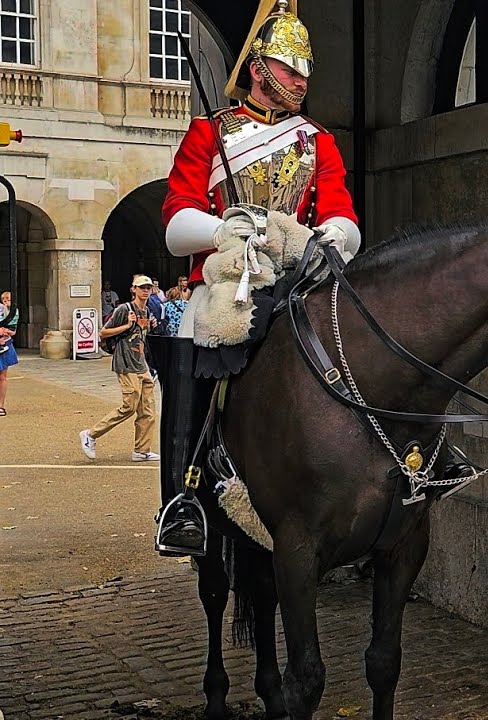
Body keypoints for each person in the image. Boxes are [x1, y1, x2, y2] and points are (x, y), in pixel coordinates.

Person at [155, 0, 361, 555]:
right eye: (291, 69)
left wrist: (324, 240)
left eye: (305, 72)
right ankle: (184, 499)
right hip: (228, 276)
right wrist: (226, 228)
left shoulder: (317, 142)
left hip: (297, 272)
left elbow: (344, 216)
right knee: (190, 337)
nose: (301, 82)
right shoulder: (208, 133)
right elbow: (176, 221)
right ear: (258, 68)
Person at [79, 275, 160, 463]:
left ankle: (142, 450)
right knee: (129, 406)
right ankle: (90, 435)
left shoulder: (147, 311)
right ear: (134, 289)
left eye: (148, 287)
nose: (145, 290)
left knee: (148, 411)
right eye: (142, 287)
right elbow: (103, 332)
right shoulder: (124, 309)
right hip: (125, 363)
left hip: (141, 364)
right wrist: (126, 325)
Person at [0, 290, 17, 417]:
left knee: (2, 376)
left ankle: (1, 406)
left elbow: (13, 329)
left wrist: (7, 331)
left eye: (8, 299)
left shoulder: (13, 312)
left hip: (4, 344)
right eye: (4, 300)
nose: (6, 302)